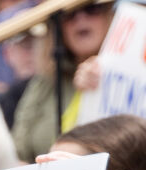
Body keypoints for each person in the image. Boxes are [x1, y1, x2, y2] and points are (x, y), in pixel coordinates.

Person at [12, 0, 111, 161]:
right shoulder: (45, 82)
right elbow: (19, 152)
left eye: (91, 8)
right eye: (68, 13)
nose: (80, 19)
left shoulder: (134, 72)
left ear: (110, 13)